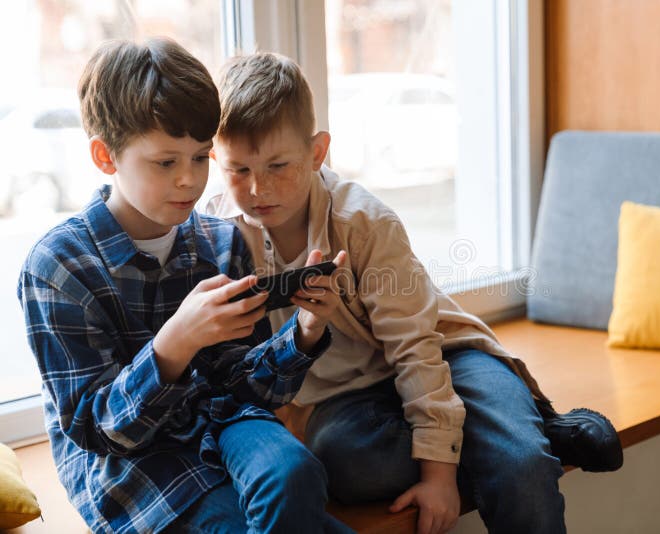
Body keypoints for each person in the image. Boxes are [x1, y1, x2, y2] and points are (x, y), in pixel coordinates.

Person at [207, 52, 623, 534]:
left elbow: (415, 349)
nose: (259, 188)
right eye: (238, 171)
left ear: (317, 153)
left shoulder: (364, 223)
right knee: (345, 467)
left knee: (523, 467)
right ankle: (524, 430)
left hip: (445, 357)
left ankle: (522, 437)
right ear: (216, 160)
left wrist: (439, 474)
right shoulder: (219, 237)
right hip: (346, 400)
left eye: (279, 165)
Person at [17, 39, 352, 534]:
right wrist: (175, 344)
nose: (189, 182)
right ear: (105, 156)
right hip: (130, 462)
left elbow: (246, 388)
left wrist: (304, 333)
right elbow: (97, 429)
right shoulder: (58, 267)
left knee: (296, 473)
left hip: (222, 419)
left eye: (200, 158)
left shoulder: (222, 242)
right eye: (165, 162)